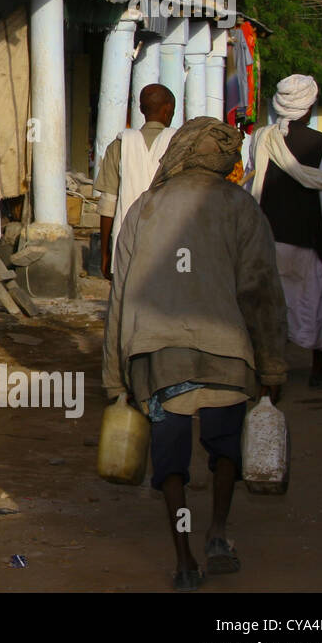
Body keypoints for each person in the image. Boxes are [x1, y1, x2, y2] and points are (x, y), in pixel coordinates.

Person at [104, 118, 287, 592]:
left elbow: (119, 297)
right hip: (226, 350)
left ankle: (184, 558)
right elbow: (261, 290)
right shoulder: (240, 207)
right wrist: (272, 364)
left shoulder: (144, 208)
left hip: (159, 354)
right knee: (225, 450)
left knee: (170, 461)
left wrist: (114, 378)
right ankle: (219, 535)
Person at [247, 75, 322, 387]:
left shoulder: (260, 138)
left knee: (270, 302)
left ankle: (269, 368)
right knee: (314, 299)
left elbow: (254, 184)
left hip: (267, 236)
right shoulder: (321, 143)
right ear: (309, 104)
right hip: (307, 238)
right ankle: (317, 371)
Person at [95, 83, 178, 280]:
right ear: (168, 110)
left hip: (126, 243)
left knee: (126, 304)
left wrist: (106, 254)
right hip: (171, 244)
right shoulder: (179, 144)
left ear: (141, 109)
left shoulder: (120, 145)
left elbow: (108, 204)